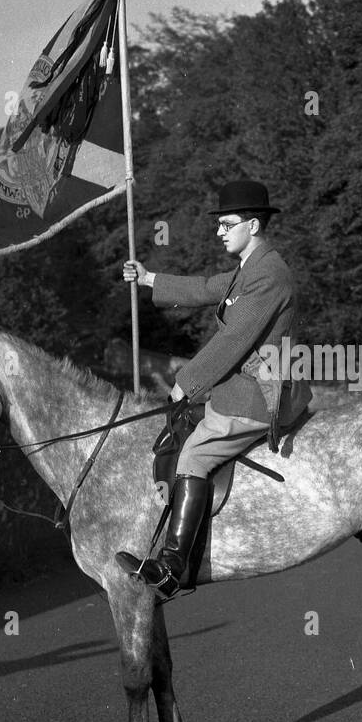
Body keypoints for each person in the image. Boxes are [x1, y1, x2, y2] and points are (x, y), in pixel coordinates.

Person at [117, 180, 310, 600]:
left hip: (258, 394)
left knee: (194, 453)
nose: (220, 231)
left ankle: (171, 567)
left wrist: (185, 385)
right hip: (242, 384)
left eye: (227, 224)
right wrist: (150, 278)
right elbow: (206, 287)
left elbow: (232, 341)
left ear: (253, 225)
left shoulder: (269, 275)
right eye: (219, 224)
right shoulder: (250, 267)